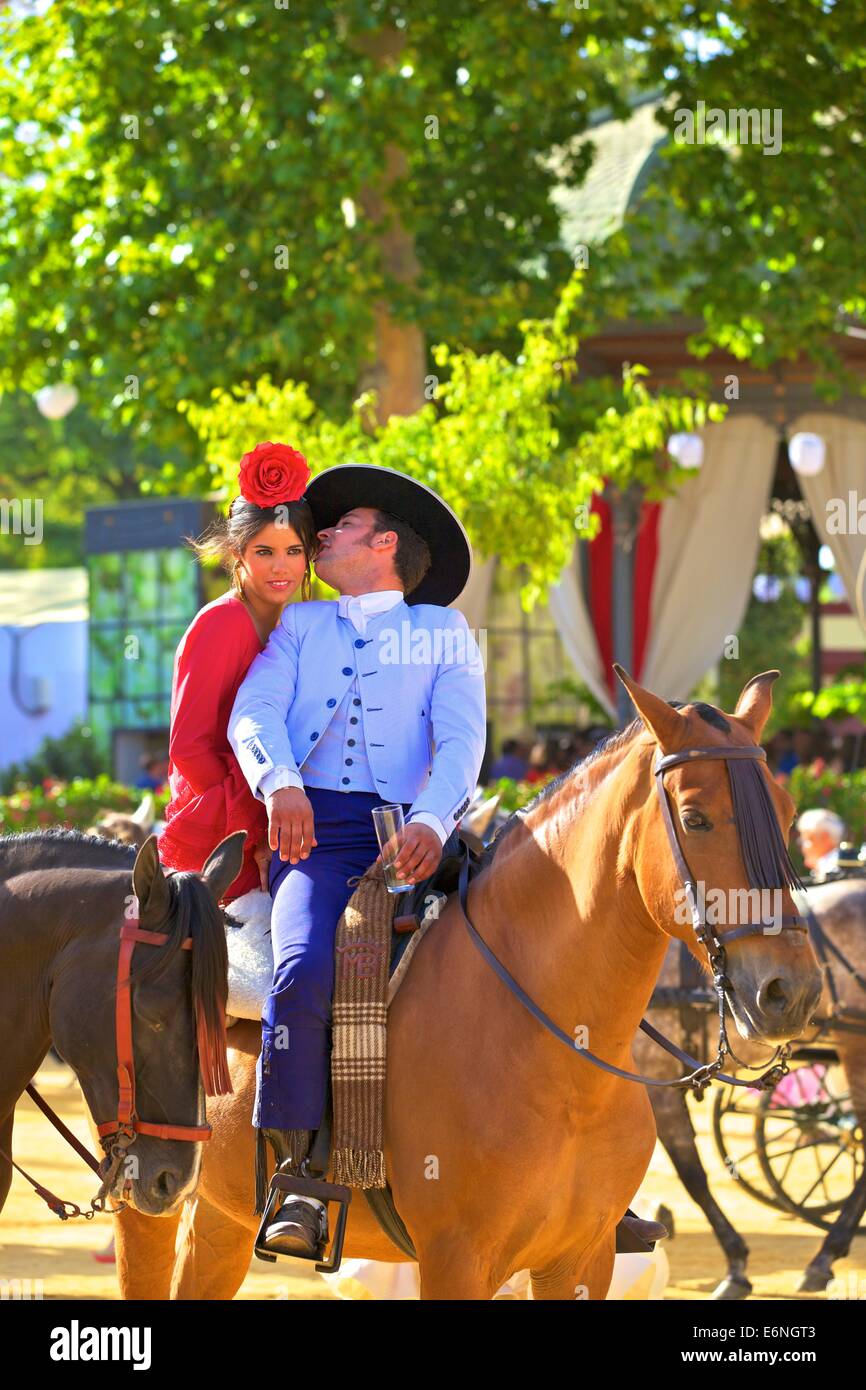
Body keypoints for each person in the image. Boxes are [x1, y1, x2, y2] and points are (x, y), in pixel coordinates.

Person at [229, 463, 487, 1258]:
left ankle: (572, 1167)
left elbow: (461, 738)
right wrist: (279, 783)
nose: (320, 538)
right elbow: (254, 711)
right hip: (316, 838)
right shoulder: (301, 626)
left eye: (337, 528)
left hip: (417, 834)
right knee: (302, 968)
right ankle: (300, 1180)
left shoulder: (445, 632)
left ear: (383, 545)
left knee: (528, 943)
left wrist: (436, 820)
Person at [157, 441, 319, 902]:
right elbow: (189, 749)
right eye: (264, 551)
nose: (281, 566)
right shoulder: (221, 623)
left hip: (275, 818)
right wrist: (252, 827)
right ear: (236, 552)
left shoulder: (296, 623)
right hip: (222, 832)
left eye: (294, 550)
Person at [796, 808, 845, 881]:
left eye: (808, 839)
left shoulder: (834, 870)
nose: (803, 846)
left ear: (825, 838)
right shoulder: (824, 868)